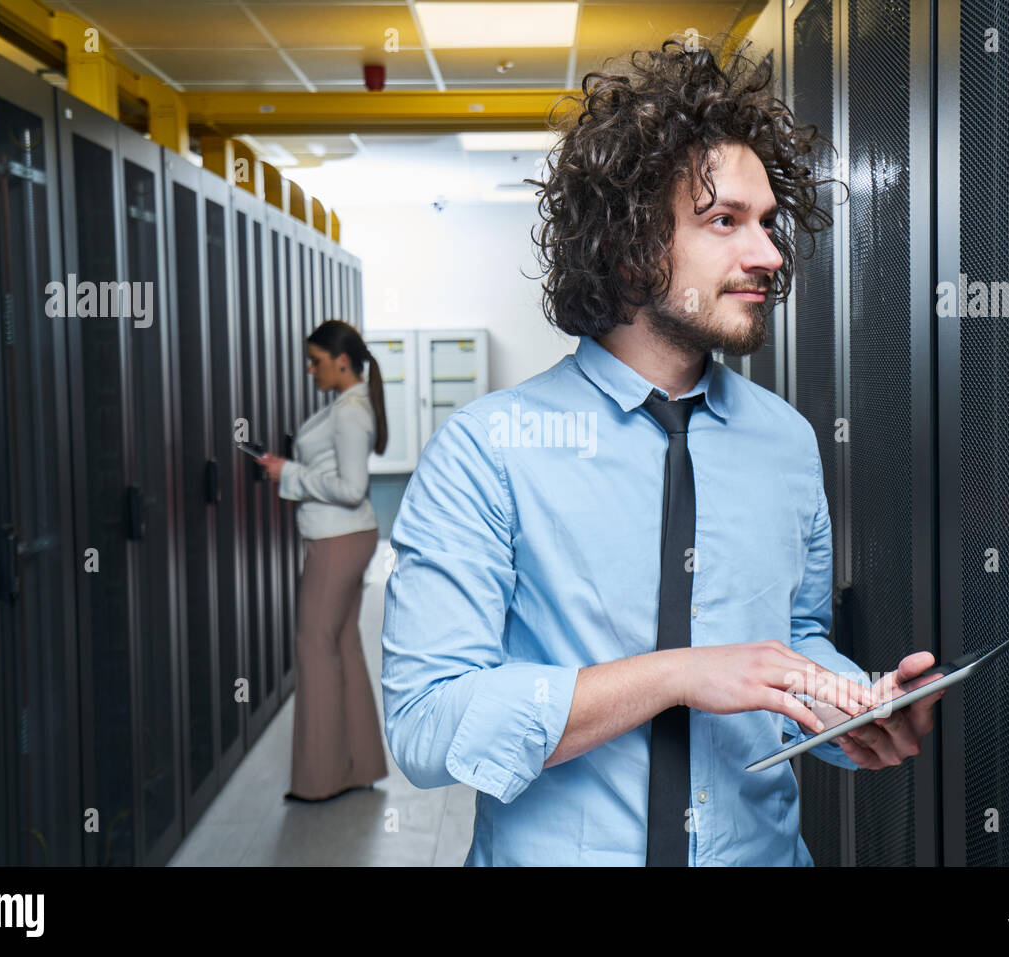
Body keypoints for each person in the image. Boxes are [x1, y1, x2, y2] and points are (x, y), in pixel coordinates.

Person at [380, 37, 945, 866]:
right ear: (629, 243)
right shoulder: (486, 451)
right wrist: (677, 673)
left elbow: (790, 637)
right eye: (724, 222)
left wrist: (850, 704)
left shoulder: (785, 441)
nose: (769, 255)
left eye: (767, 224)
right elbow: (428, 722)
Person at [259, 319, 390, 802]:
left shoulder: (350, 412)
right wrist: (293, 469)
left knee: (314, 647)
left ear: (341, 361)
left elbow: (353, 490)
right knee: (342, 646)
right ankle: (357, 766)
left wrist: (287, 473)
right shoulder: (346, 405)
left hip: (337, 542)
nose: (310, 370)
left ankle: (318, 781)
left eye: (316, 361)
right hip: (346, 539)